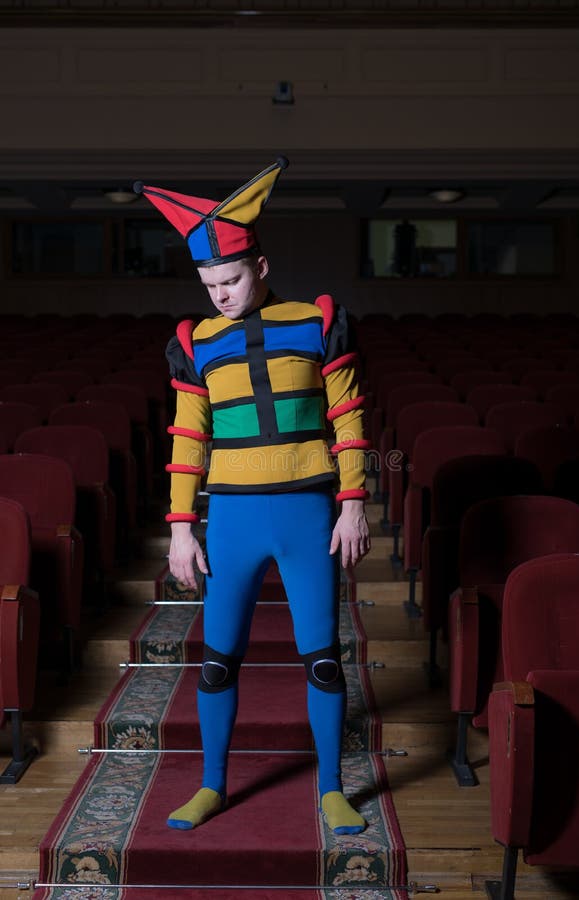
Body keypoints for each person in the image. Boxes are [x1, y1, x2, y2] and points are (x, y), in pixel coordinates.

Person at [134, 157, 371, 835]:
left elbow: (349, 417)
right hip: (231, 515)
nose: (221, 295)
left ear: (260, 268)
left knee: (322, 657)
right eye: (210, 284)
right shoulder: (193, 342)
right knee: (217, 660)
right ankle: (212, 785)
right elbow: (187, 438)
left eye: (231, 280)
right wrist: (181, 530)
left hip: (306, 511)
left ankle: (331, 789)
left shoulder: (318, 321)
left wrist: (353, 503)